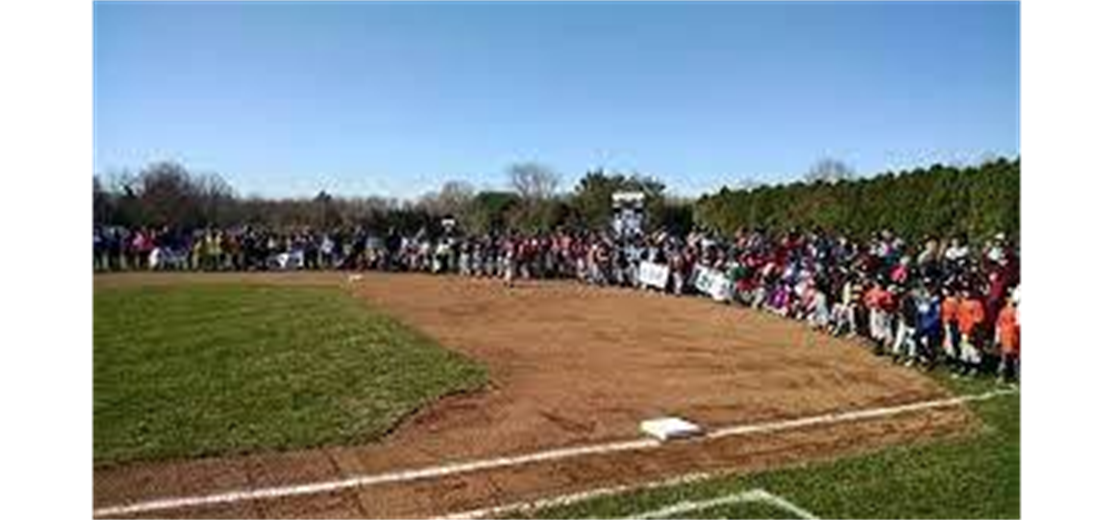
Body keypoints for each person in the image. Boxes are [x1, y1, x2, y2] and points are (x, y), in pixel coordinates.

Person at [957, 289, 986, 376]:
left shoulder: (977, 303)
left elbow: (979, 319)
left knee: (974, 350)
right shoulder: (963, 303)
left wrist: (974, 331)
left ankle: (975, 368)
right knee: (964, 349)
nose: (965, 294)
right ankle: (964, 366)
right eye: (964, 292)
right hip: (964, 330)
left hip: (972, 330)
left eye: (967, 292)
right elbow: (960, 317)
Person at [995, 292, 1021, 384]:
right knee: (1007, 358)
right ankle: (1003, 376)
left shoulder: (1011, 311)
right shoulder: (1009, 311)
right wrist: (997, 337)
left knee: (1014, 358)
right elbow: (998, 325)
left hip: (1013, 336)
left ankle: (1015, 376)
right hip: (1008, 337)